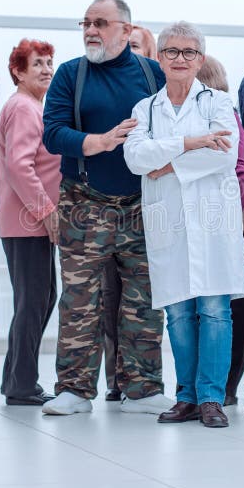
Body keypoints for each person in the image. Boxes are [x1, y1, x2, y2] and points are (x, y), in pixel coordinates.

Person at [42, 0, 172, 416]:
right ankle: (74, 391)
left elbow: (174, 126)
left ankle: (143, 389)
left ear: (127, 30)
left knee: (144, 298)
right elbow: (52, 132)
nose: (91, 31)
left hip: (143, 204)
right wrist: (96, 142)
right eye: (86, 23)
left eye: (100, 23)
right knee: (80, 299)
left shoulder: (154, 74)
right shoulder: (70, 74)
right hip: (84, 201)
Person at [124, 22, 244, 427]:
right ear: (160, 58)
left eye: (189, 52)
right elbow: (135, 159)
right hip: (169, 222)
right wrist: (189, 144)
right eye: (172, 52)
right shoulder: (145, 109)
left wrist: (167, 164)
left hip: (213, 222)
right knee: (178, 313)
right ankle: (187, 397)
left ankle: (211, 398)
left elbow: (224, 154)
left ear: (200, 59)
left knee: (215, 310)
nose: (180, 59)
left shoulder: (218, 102)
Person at [0, 39, 61, 406]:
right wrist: (46, 212)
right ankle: (21, 385)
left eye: (49, 63)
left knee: (38, 299)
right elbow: (20, 167)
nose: (46, 70)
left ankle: (16, 379)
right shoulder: (23, 107)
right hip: (27, 221)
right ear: (18, 72)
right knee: (33, 301)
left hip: (29, 220)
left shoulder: (33, 106)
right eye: (37, 64)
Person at [99, 24, 158, 402]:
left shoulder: (154, 91)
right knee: (110, 296)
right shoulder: (104, 89)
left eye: (136, 46)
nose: (128, 52)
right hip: (106, 203)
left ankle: (141, 379)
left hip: (146, 204)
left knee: (143, 299)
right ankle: (115, 379)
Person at [196, 56, 244, 406]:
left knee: (231, 307)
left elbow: (240, 173)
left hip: (228, 222)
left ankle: (225, 386)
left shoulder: (227, 119)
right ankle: (218, 385)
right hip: (209, 222)